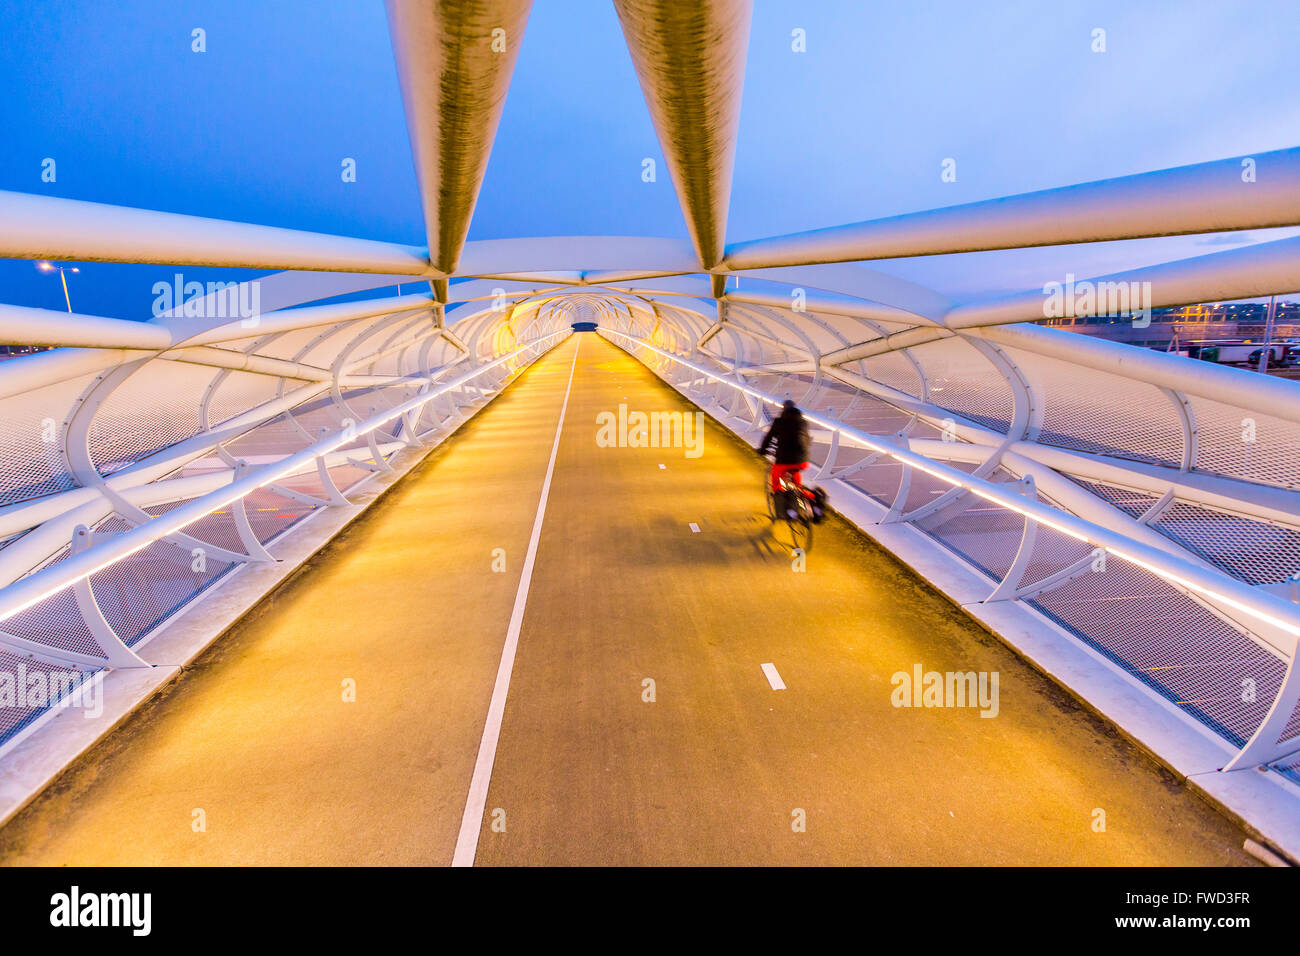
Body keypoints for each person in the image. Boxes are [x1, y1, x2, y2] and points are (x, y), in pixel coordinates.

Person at [757, 400, 825, 521]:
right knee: (797, 486)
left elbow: (768, 438)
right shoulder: (803, 422)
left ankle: (787, 510)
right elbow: (806, 440)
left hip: (783, 461)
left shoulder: (779, 422)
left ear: (783, 410)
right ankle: (809, 500)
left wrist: (762, 450)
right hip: (802, 461)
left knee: (777, 484)